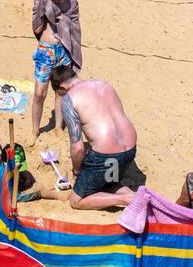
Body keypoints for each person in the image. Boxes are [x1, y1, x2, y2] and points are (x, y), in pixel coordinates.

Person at [41, 64, 139, 210]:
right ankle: (135, 196)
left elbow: (78, 147)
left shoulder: (69, 98)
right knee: (108, 183)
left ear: (62, 88)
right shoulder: (104, 84)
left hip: (107, 156)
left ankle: (126, 199)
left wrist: (76, 172)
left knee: (75, 201)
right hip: (129, 150)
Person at [30, 0, 82, 140]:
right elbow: (36, 29)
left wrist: (62, 19)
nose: (60, 0)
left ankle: (58, 126)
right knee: (39, 93)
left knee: (61, 90)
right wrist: (44, 14)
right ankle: (35, 130)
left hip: (64, 49)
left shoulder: (72, 1)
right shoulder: (42, 1)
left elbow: (74, 25)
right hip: (46, 51)